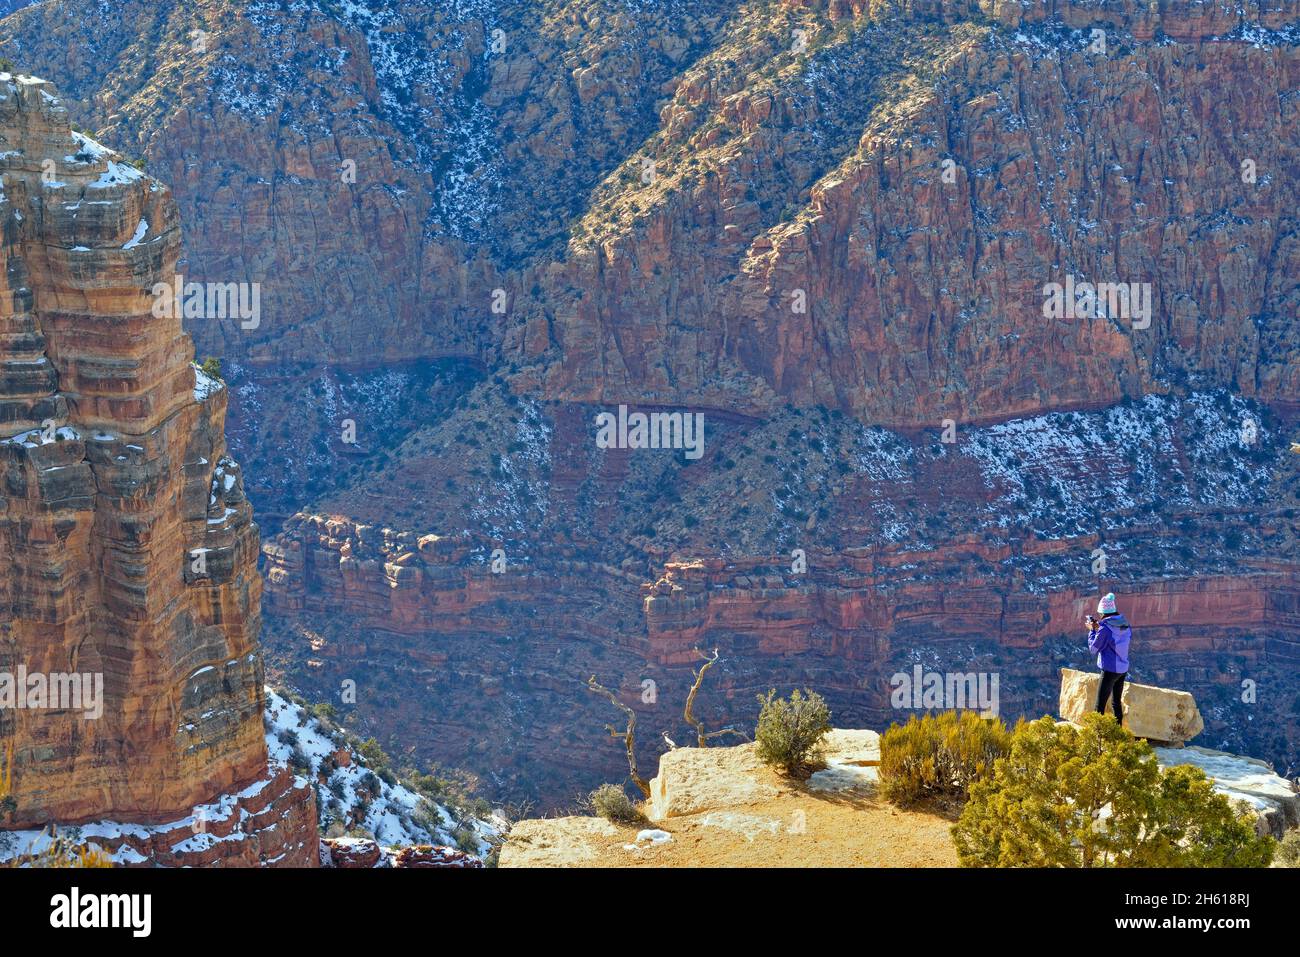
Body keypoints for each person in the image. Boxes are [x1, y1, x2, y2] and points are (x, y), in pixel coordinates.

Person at [1087, 592, 1131, 724]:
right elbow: (1115, 639)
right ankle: (1118, 736)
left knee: (1099, 706)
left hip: (1110, 670)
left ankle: (1096, 738)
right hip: (1122, 669)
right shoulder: (1125, 625)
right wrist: (1099, 629)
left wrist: (1092, 630)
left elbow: (1093, 649)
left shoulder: (1105, 628)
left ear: (1103, 613)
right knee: (1116, 703)